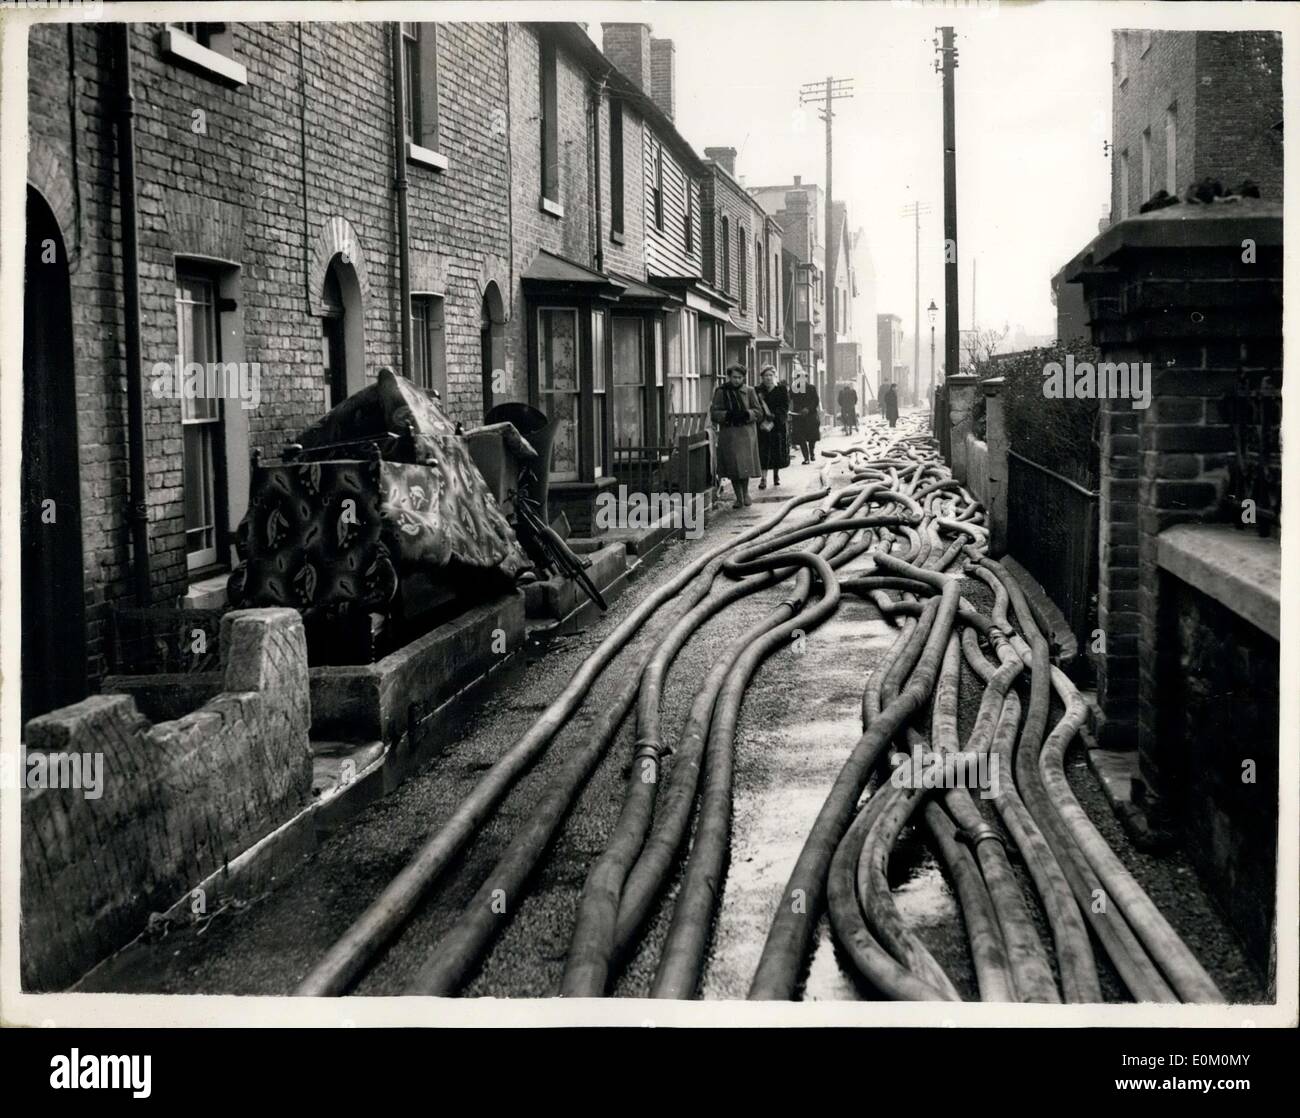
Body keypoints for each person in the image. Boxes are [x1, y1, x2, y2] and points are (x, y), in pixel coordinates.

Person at [709, 363, 763, 508]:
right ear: (729, 377)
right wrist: (728, 415)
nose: (736, 380)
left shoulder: (750, 391)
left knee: (744, 467)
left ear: (744, 378)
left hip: (746, 433)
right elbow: (714, 413)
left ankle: (745, 494)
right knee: (733, 467)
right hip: (730, 433)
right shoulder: (721, 391)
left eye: (739, 377)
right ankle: (738, 497)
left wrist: (746, 414)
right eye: (734, 377)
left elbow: (759, 412)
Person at [755, 365, 789, 490]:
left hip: (777, 425)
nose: (768, 378)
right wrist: (762, 419)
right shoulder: (758, 391)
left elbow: (785, 407)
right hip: (763, 426)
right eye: (765, 376)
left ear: (775, 376)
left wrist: (775, 416)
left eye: (770, 375)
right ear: (762, 378)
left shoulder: (781, 390)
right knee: (763, 452)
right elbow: (755, 406)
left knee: (776, 451)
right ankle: (763, 478)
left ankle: (776, 475)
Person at [788, 375, 821, 463]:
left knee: (812, 437)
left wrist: (808, 409)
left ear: (806, 378)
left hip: (810, 416)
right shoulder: (794, 389)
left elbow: (816, 401)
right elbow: (788, 398)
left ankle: (812, 453)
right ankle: (806, 458)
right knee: (801, 438)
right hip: (799, 417)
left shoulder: (811, 388)